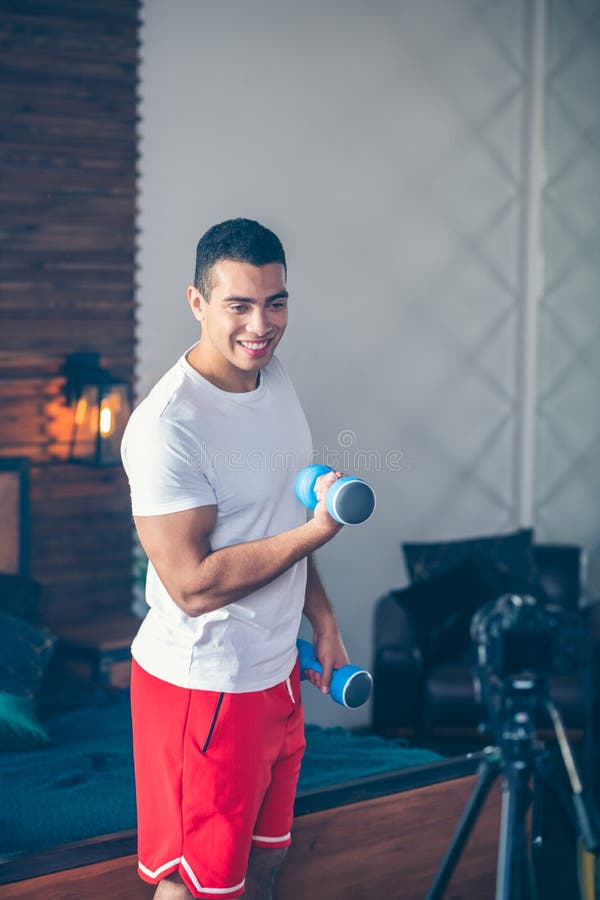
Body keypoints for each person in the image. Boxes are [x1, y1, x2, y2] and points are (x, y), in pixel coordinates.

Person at [121, 218, 349, 900]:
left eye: (275, 302)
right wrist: (316, 534)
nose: (262, 325)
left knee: (267, 863)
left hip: (275, 676)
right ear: (197, 302)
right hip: (205, 686)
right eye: (239, 305)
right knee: (197, 888)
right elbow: (191, 586)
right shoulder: (168, 428)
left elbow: (281, 517)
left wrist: (324, 617)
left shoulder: (272, 379)